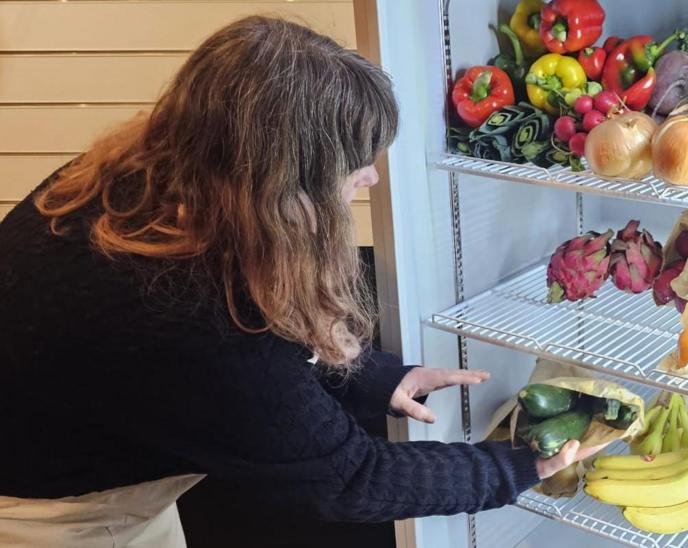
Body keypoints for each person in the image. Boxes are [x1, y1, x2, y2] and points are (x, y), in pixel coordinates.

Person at [0, 16, 606, 547]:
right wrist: (520, 467)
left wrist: (368, 376)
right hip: (53, 515)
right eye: (351, 162)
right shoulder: (182, 313)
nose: (368, 176)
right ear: (279, 188)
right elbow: (350, 478)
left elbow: (256, 306)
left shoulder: (146, 173)